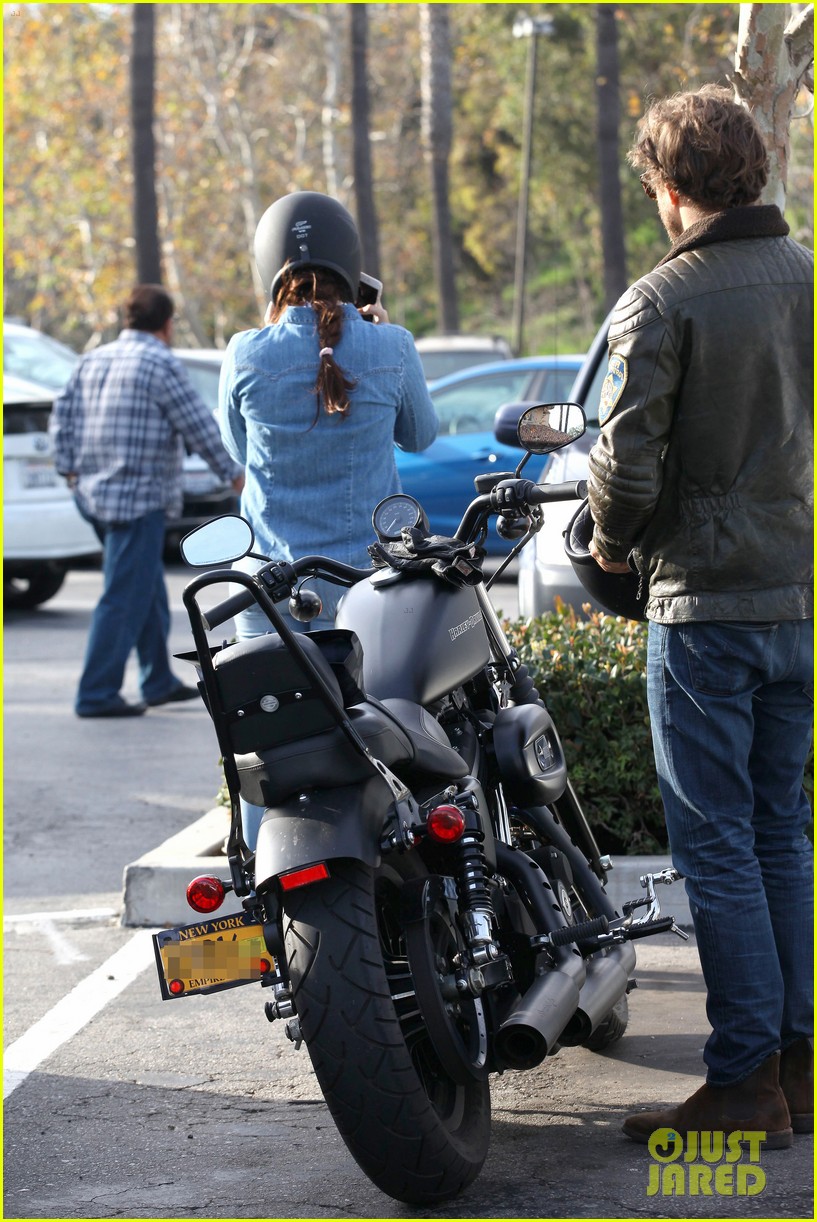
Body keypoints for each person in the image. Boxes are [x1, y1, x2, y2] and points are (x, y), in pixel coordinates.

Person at [585, 85, 813, 1146]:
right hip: (796, 596)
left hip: (705, 606)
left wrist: (608, 540)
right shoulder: (804, 277)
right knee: (781, 835)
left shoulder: (661, 298)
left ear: (668, 188)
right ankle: (796, 1070)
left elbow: (625, 469)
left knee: (717, 845)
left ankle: (740, 1085)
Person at [217, 190, 439, 846]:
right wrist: (377, 336)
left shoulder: (245, 352)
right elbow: (421, 435)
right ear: (353, 268)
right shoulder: (390, 344)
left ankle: (267, 892)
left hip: (267, 586)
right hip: (365, 585)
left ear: (268, 274)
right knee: (381, 728)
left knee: (266, 747)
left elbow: (237, 451)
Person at [52, 284, 244, 718]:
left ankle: (157, 678)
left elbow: (61, 418)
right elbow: (197, 424)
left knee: (144, 585)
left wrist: (69, 472)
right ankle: (96, 693)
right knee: (124, 594)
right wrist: (234, 475)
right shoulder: (159, 363)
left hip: (93, 496)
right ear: (168, 323)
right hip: (137, 500)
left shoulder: (92, 359)